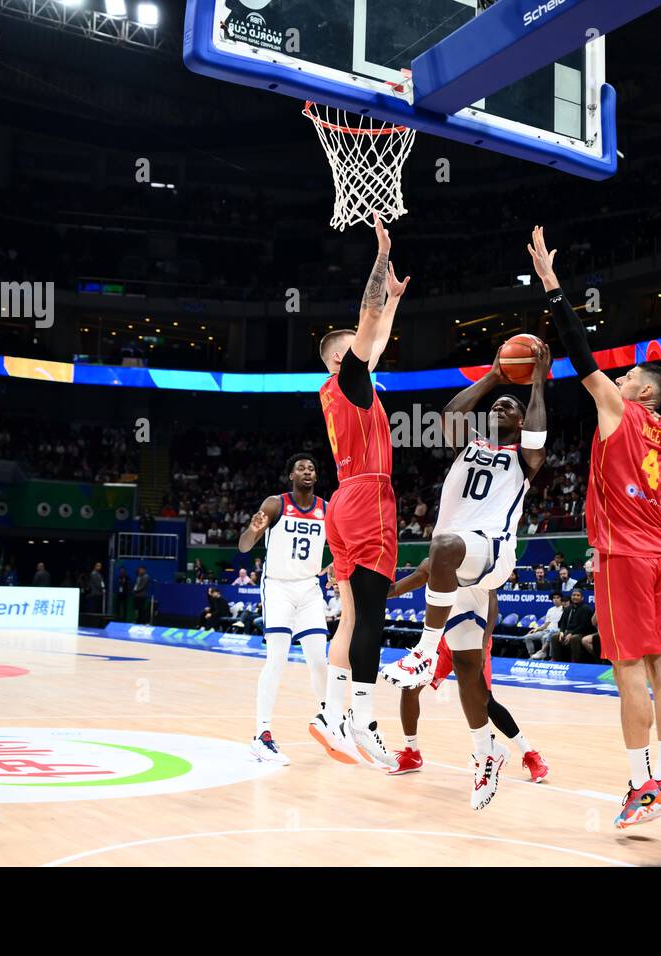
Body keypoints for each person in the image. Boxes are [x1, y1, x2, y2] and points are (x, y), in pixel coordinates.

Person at [532, 224, 661, 828]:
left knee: (628, 667)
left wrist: (553, 288)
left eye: (631, 375)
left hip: (623, 556)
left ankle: (640, 787)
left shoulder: (619, 409)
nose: (622, 376)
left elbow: (579, 352)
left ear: (642, 391)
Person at [380, 339, 550, 808]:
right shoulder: (468, 445)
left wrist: (534, 380)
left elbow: (536, 435)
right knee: (471, 673)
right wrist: (495, 376)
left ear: (519, 421)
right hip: (458, 568)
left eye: (510, 407)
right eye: (498, 404)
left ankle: (421, 651)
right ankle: (485, 754)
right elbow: (447, 417)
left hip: (493, 551)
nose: (502, 407)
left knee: (444, 544)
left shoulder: (523, 458)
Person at [308, 216, 410, 770]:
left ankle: (329, 712)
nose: (366, 346)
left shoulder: (339, 388)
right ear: (339, 357)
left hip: (343, 501)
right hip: (369, 500)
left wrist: (393, 301)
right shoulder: (349, 373)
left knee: (349, 619)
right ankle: (365, 723)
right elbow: (367, 322)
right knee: (372, 617)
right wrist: (381, 253)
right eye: (356, 347)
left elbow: (376, 327)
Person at [384, 557, 550, 787]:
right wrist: (364, 583)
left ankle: (530, 755)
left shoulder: (479, 561)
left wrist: (483, 645)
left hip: (474, 638)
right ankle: (412, 752)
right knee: (410, 686)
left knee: (484, 701)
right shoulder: (431, 563)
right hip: (445, 641)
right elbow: (394, 589)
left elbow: (492, 603)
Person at [238, 453, 331, 765]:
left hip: (308, 589)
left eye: (311, 468)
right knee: (276, 659)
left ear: (316, 477)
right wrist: (253, 529)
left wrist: (333, 566)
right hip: (278, 587)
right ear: (291, 475)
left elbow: (343, 545)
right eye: (301, 468)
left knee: (319, 660)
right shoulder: (275, 504)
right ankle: (262, 735)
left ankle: (329, 719)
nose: (307, 471)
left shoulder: (326, 509)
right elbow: (244, 546)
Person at [553, 588, 596, 662]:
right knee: (555, 637)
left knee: (574, 638)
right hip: (569, 631)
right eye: (573, 595)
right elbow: (563, 623)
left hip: (582, 632)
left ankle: (575, 661)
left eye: (578, 595)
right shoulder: (567, 608)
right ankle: (556, 660)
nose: (575, 597)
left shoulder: (586, 609)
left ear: (582, 598)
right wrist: (561, 632)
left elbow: (584, 626)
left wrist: (571, 634)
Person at [526, 592, 564, 659]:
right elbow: (546, 625)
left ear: (561, 599)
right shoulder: (550, 610)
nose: (555, 599)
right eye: (554, 598)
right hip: (546, 630)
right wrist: (536, 629)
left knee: (545, 637)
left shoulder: (565, 609)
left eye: (558, 597)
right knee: (528, 637)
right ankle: (531, 656)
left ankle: (546, 657)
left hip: (556, 631)